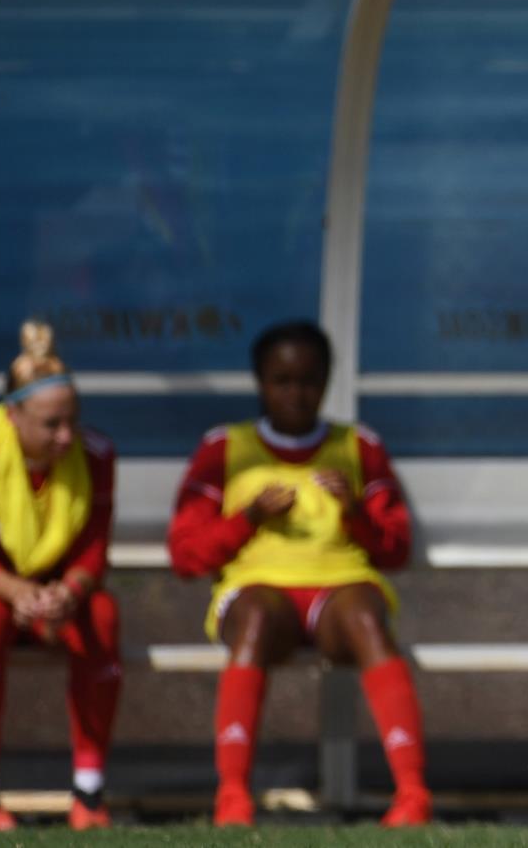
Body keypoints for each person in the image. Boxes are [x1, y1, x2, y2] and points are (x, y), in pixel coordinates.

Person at [167, 321, 431, 828]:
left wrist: (354, 512)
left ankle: (413, 793)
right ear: (260, 383)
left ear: (327, 381)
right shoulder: (225, 447)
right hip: (262, 594)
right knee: (256, 620)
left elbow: (395, 547)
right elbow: (186, 554)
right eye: (282, 380)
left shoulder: (359, 447)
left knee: (367, 618)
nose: (296, 393)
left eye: (309, 380)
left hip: (340, 589)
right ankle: (234, 797)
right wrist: (249, 519)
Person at [0, 320, 120, 831]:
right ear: (12, 415)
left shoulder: (96, 454)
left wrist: (70, 590)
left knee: (101, 613)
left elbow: (95, 548)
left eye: (71, 421)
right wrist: (22, 593)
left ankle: (90, 791)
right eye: (51, 424)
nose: (65, 436)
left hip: (54, 596)